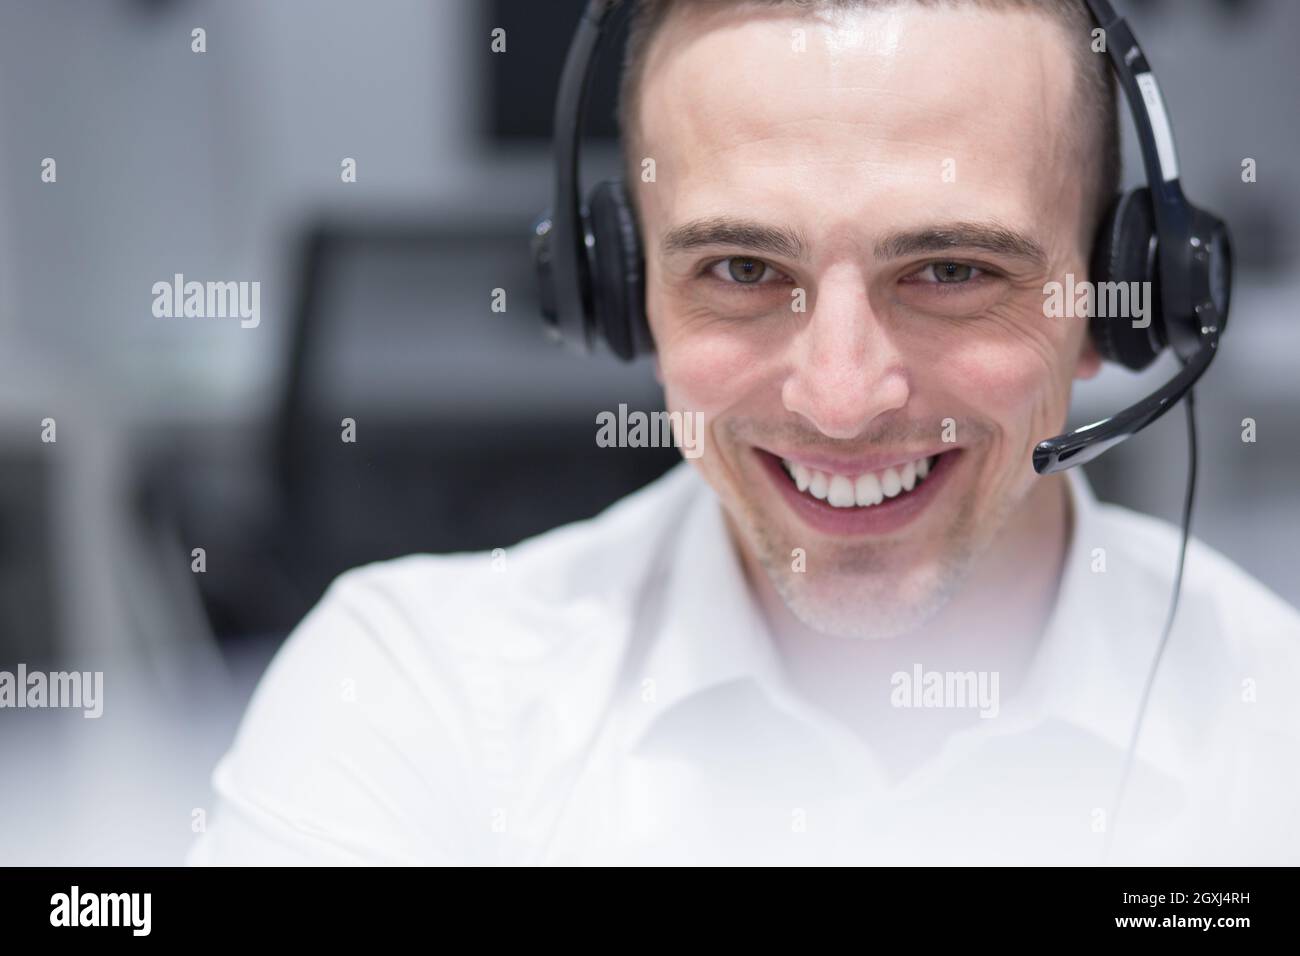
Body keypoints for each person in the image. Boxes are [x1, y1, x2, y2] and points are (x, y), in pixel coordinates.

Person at [188, 0, 1300, 865]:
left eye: (952, 270)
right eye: (741, 270)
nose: (842, 397)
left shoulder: (1273, 740)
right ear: (621, 297)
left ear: (1117, 299)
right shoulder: (408, 698)